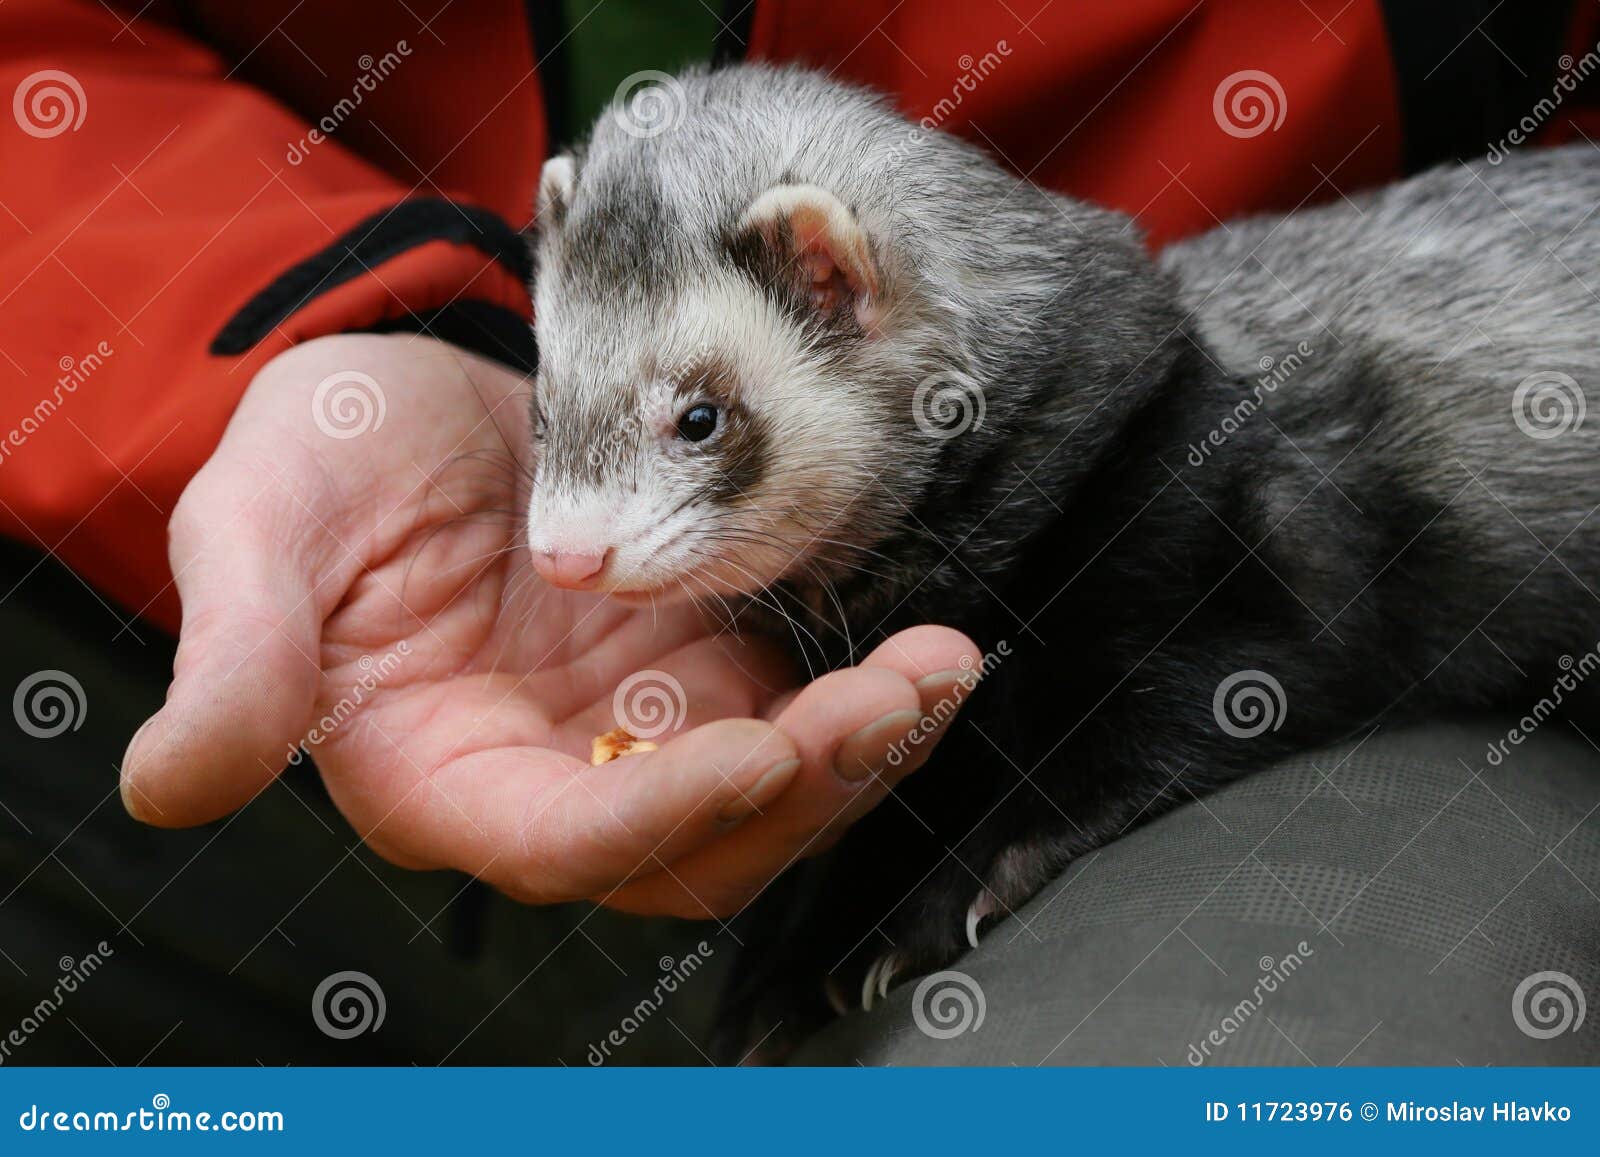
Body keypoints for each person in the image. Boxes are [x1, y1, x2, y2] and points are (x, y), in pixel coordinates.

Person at [1, 0, 1595, 1065]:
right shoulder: (887, 482)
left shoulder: (1179, 480)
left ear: (837, 292)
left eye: (696, 423)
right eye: (572, 412)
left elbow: (1192, 657)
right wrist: (380, 340)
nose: (570, 538)